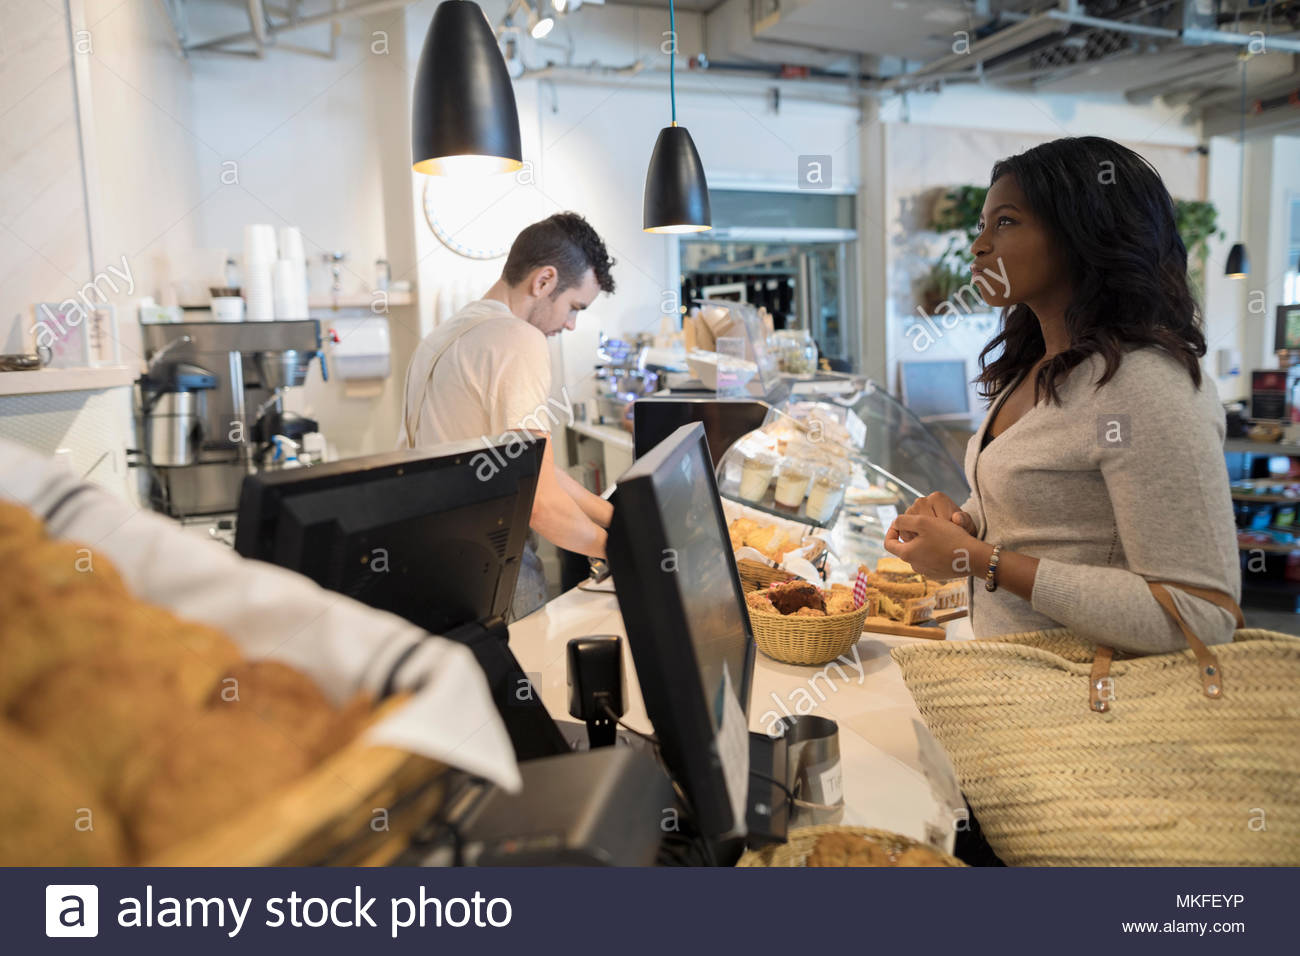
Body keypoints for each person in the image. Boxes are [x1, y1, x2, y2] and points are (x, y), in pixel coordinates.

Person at [884, 136, 1241, 654]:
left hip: (1091, 712)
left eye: (1005, 222)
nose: (979, 245)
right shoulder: (1034, 366)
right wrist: (960, 521)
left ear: (1085, 231)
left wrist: (982, 560)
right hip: (1013, 691)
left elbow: (1202, 614)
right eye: (982, 226)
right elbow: (1046, 526)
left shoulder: (1145, 384)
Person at [398, 212, 616, 620]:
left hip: (432, 571)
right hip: (491, 569)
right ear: (544, 281)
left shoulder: (443, 334)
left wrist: (615, 518)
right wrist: (624, 550)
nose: (570, 324)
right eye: (574, 307)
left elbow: (533, 467)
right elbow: (540, 503)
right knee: (525, 682)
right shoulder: (518, 340)